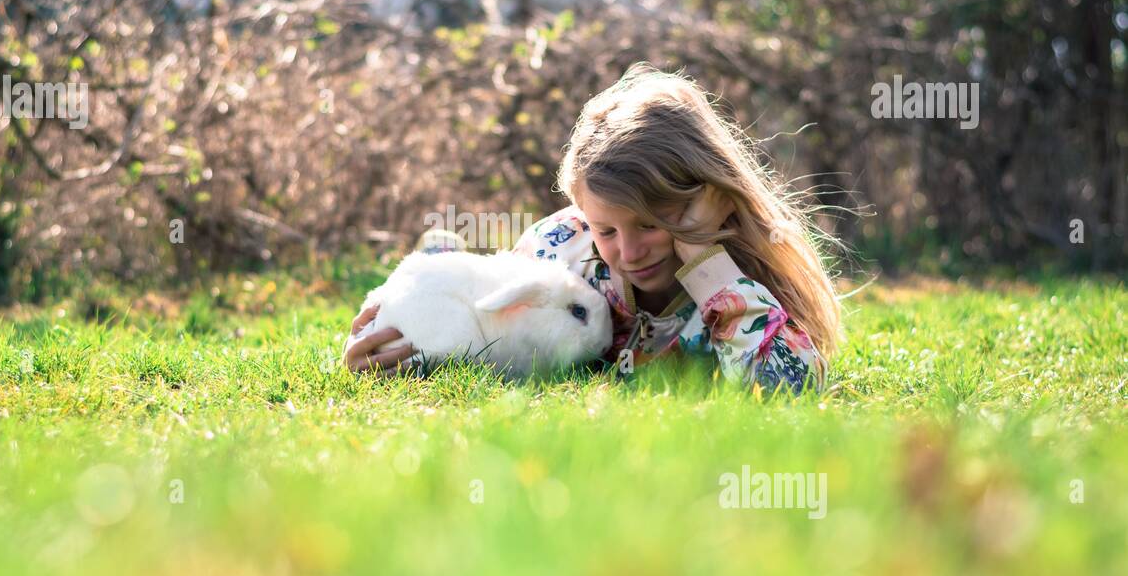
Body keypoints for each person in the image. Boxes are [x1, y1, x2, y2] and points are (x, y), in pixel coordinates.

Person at [344, 63, 841, 393]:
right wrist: (398, 334)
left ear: (706, 198)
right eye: (606, 230)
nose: (628, 252)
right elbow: (479, 316)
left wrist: (707, 259)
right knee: (462, 258)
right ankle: (438, 249)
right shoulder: (560, 255)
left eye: (650, 222)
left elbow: (786, 389)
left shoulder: (739, 275)